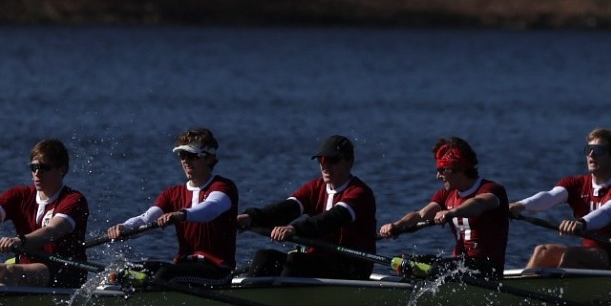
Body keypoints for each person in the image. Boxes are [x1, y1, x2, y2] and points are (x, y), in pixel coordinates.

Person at [104, 127, 240, 282]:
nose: (185, 161)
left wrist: (181, 214)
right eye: (182, 155)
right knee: (126, 272)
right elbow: (146, 219)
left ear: (209, 158)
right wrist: (125, 228)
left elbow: (210, 208)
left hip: (217, 270)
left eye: (192, 155)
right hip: (183, 266)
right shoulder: (172, 193)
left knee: (164, 274)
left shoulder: (224, 187)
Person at [0, 138, 90, 288]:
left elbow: (52, 231)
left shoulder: (74, 200)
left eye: (44, 168)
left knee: (10, 272)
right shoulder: (20, 195)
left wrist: (21, 240)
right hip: (29, 268)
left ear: (61, 169)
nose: (37, 173)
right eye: (34, 167)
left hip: (65, 271)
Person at [237, 134, 377, 280]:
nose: (325, 166)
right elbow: (286, 209)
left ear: (350, 162)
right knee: (264, 256)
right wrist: (251, 217)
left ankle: (281, 297)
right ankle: (246, 293)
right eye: (321, 160)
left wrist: (294, 229)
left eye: (332, 160)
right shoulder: (315, 187)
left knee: (295, 261)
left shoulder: (360, 193)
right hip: (319, 261)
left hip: (350, 267)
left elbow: (331, 219)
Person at [508, 128, 611, 271]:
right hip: (592, 254)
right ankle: (525, 287)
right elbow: (549, 197)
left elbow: (607, 212)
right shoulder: (575, 184)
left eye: (598, 150)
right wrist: (520, 205)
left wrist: (581, 223)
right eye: (589, 149)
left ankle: (557, 290)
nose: (591, 155)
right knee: (543, 251)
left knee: (571, 255)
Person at [378, 137, 510, 277]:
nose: (438, 176)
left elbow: (478, 204)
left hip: (487, 268)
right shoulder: (445, 194)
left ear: (458, 169)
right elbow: (420, 215)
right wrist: (396, 225)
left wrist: (452, 212)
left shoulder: (492, 190)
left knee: (434, 270)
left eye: (442, 170)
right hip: (459, 265)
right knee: (403, 262)